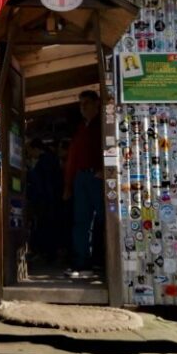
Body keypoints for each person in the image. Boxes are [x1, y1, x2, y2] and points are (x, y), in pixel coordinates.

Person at [63, 90, 104, 278]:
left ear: (97, 103)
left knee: (105, 221)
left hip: (98, 178)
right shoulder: (81, 128)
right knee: (81, 222)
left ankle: (102, 263)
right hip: (81, 179)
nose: (83, 106)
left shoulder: (104, 125)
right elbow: (72, 159)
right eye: (81, 103)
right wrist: (68, 186)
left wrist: (104, 171)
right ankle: (82, 263)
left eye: (87, 102)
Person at [26, 139, 63, 260]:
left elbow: (40, 182)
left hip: (44, 199)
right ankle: (49, 253)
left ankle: (44, 252)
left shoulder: (43, 161)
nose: (30, 154)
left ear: (36, 149)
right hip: (52, 198)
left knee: (43, 225)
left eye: (30, 151)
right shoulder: (52, 159)